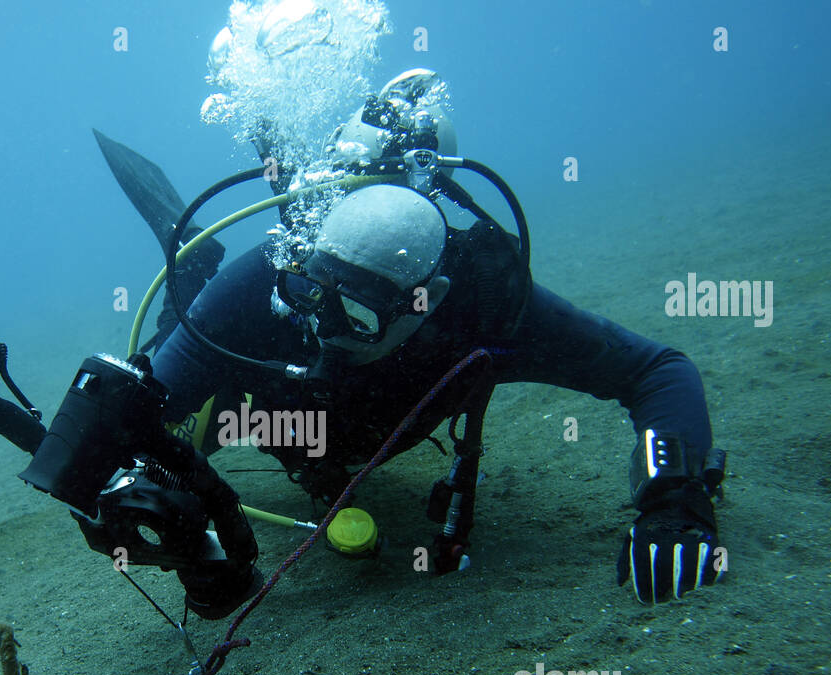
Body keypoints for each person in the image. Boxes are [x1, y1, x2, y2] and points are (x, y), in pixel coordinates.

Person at [144, 74, 727, 606]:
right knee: (182, 360)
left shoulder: (485, 306)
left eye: (361, 311)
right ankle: (190, 260)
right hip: (253, 413)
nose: (327, 329)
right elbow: (131, 412)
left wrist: (674, 501)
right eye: (307, 293)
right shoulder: (266, 278)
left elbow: (657, 371)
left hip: (345, 447)